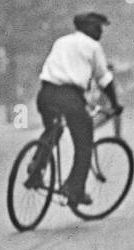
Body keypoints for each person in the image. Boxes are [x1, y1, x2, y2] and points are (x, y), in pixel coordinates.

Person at [31, 12, 122, 205]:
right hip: (69, 97)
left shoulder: (61, 41)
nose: (100, 32)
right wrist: (114, 104)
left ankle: (36, 167)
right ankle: (74, 188)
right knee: (84, 142)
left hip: (46, 93)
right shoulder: (93, 46)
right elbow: (104, 79)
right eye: (98, 27)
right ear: (87, 27)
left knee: (52, 130)